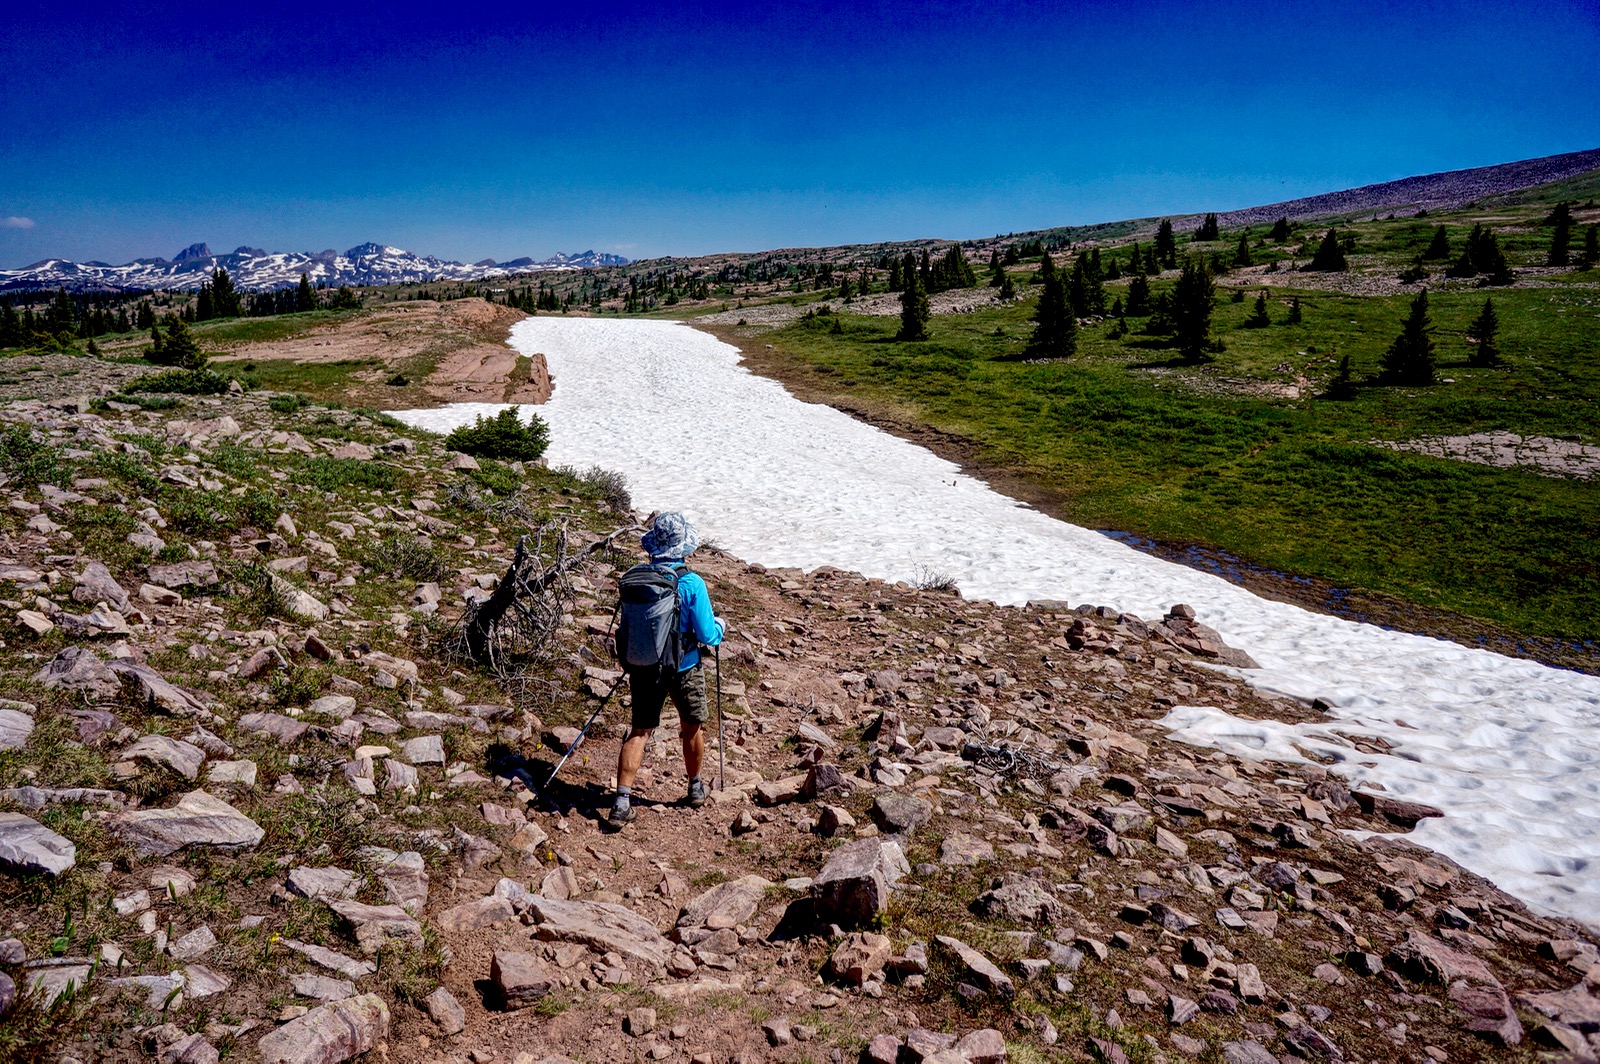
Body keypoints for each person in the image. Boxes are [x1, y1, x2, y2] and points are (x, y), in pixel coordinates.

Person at [610, 512, 724, 825]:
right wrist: (721, 628)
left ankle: (621, 802)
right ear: (683, 547)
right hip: (684, 666)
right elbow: (707, 634)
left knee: (640, 731)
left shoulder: (638, 581)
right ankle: (695, 787)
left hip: (645, 668)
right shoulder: (691, 583)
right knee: (691, 727)